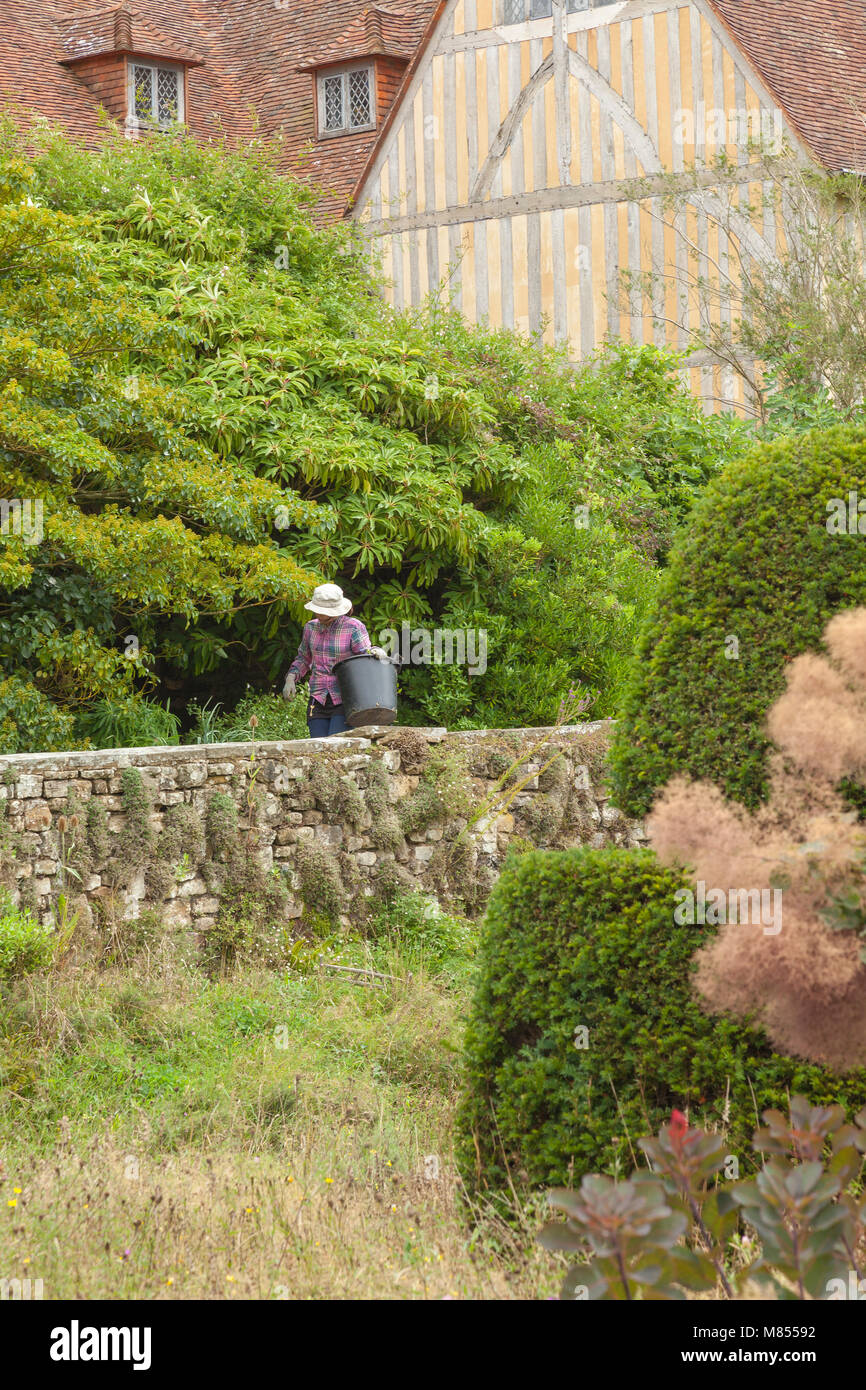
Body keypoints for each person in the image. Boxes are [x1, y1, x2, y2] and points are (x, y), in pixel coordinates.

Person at [282, 583, 388, 738]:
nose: (318, 614)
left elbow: (364, 658)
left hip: (345, 698)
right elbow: (303, 658)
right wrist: (291, 678)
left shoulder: (353, 627)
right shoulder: (310, 628)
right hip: (318, 697)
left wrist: (376, 651)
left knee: (335, 745)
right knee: (317, 747)